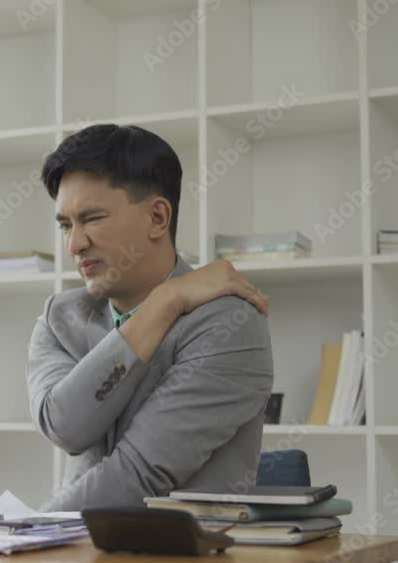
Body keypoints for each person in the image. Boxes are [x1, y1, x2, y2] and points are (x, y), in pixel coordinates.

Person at [28, 124, 274, 510]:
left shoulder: (230, 324)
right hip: (73, 549)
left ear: (158, 218)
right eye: (65, 225)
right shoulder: (60, 319)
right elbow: (67, 428)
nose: (75, 244)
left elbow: (139, 477)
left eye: (91, 219)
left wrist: (20, 534)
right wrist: (165, 302)